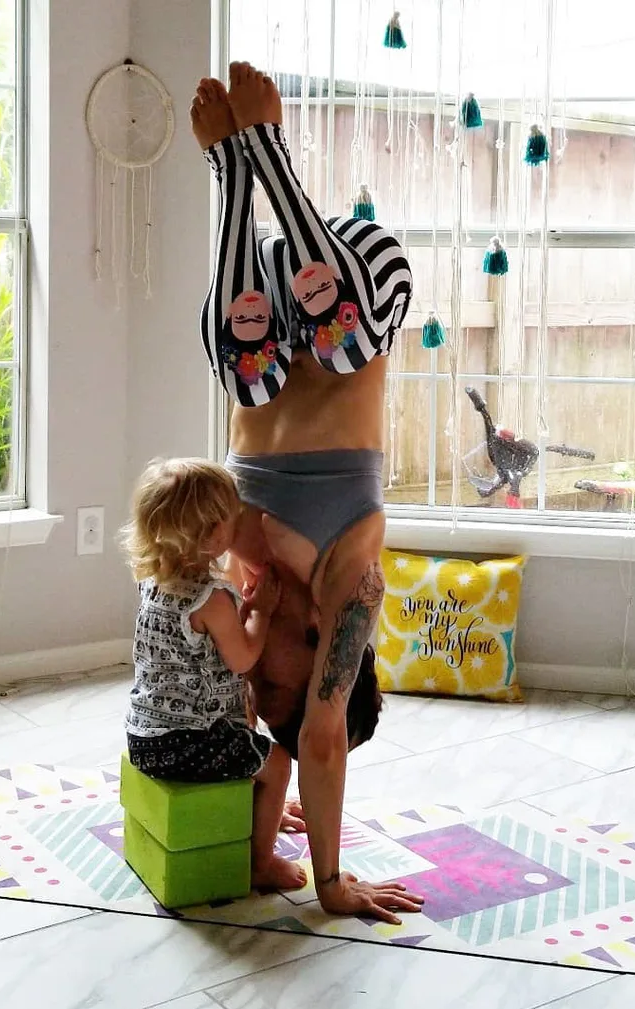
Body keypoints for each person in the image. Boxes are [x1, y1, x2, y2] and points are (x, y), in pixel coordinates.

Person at [190, 63, 424, 924]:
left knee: (241, 372)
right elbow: (321, 737)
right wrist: (330, 881)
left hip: (259, 303)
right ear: (332, 652)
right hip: (350, 274)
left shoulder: (249, 566)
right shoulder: (351, 584)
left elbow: (290, 738)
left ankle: (233, 180)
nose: (260, 691)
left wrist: (267, 802)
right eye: (280, 690)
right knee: (340, 344)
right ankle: (264, 157)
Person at [120, 456, 307, 892]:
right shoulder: (210, 598)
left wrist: (238, 614)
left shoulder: (154, 581)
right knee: (278, 764)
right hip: (187, 743)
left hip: (145, 737)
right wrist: (259, 611)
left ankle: (261, 813)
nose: (236, 522)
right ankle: (260, 861)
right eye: (229, 518)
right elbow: (242, 658)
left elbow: (197, 648)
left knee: (248, 734)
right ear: (208, 538)